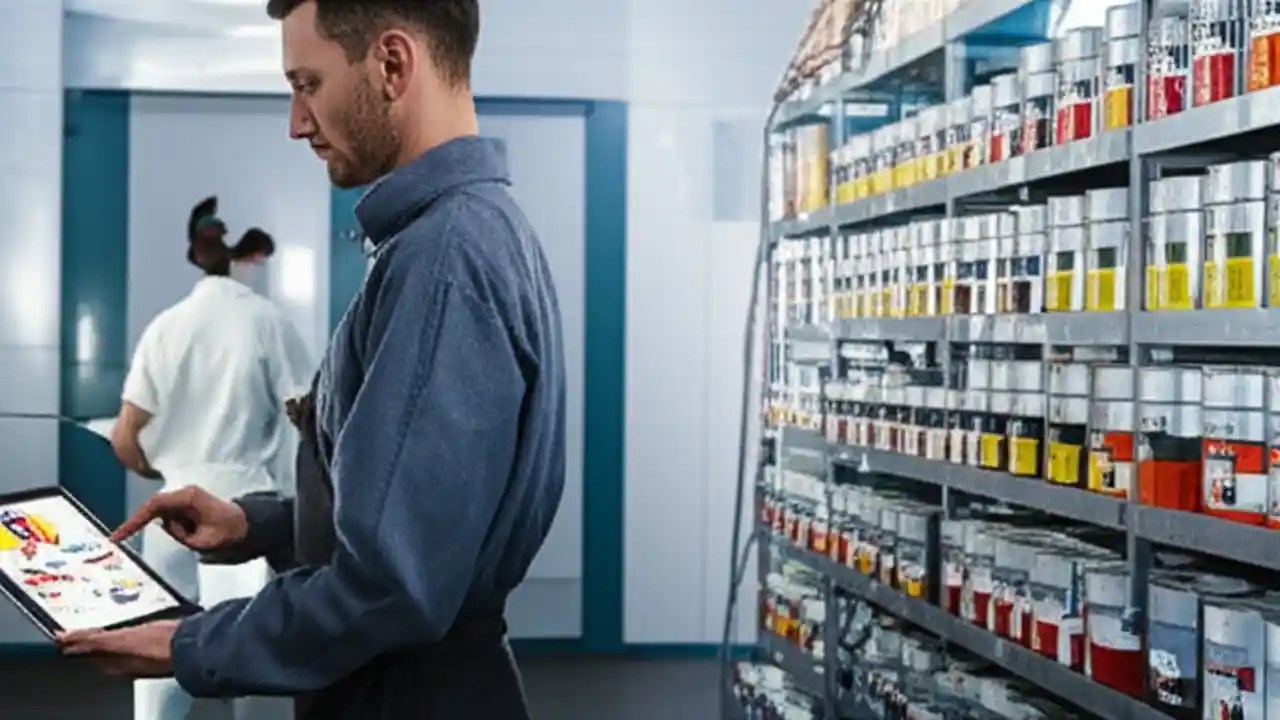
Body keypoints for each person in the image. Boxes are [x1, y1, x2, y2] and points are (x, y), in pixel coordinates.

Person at [60, 1, 567, 719]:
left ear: (392, 64)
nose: (297, 122)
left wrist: (188, 646)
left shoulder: (442, 262)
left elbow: (392, 584)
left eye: (308, 84)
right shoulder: (474, 233)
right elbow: (408, 506)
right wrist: (256, 525)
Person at [110, 195, 312, 720]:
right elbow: (308, 413)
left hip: (169, 508)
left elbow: (125, 439)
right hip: (243, 511)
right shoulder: (265, 319)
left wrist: (161, 465)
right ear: (240, 258)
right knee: (252, 657)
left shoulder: (164, 327)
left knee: (160, 652)